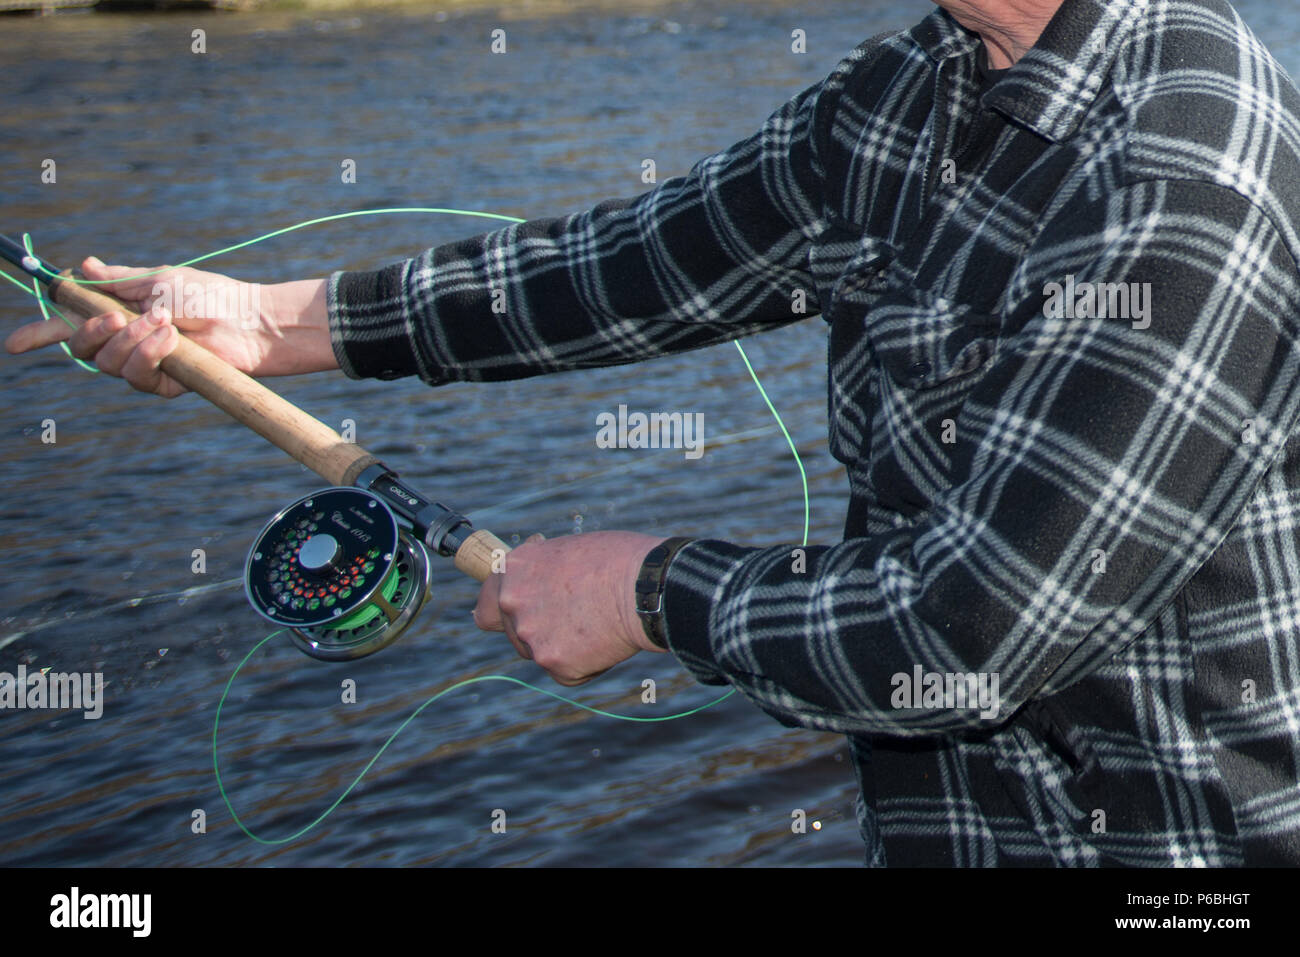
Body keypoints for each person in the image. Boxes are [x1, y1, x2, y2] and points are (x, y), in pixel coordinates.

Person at [9, 0, 1300, 866]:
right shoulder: (921, 80)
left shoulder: (1186, 177)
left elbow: (966, 629)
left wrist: (643, 590)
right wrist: (276, 321)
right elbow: (645, 261)